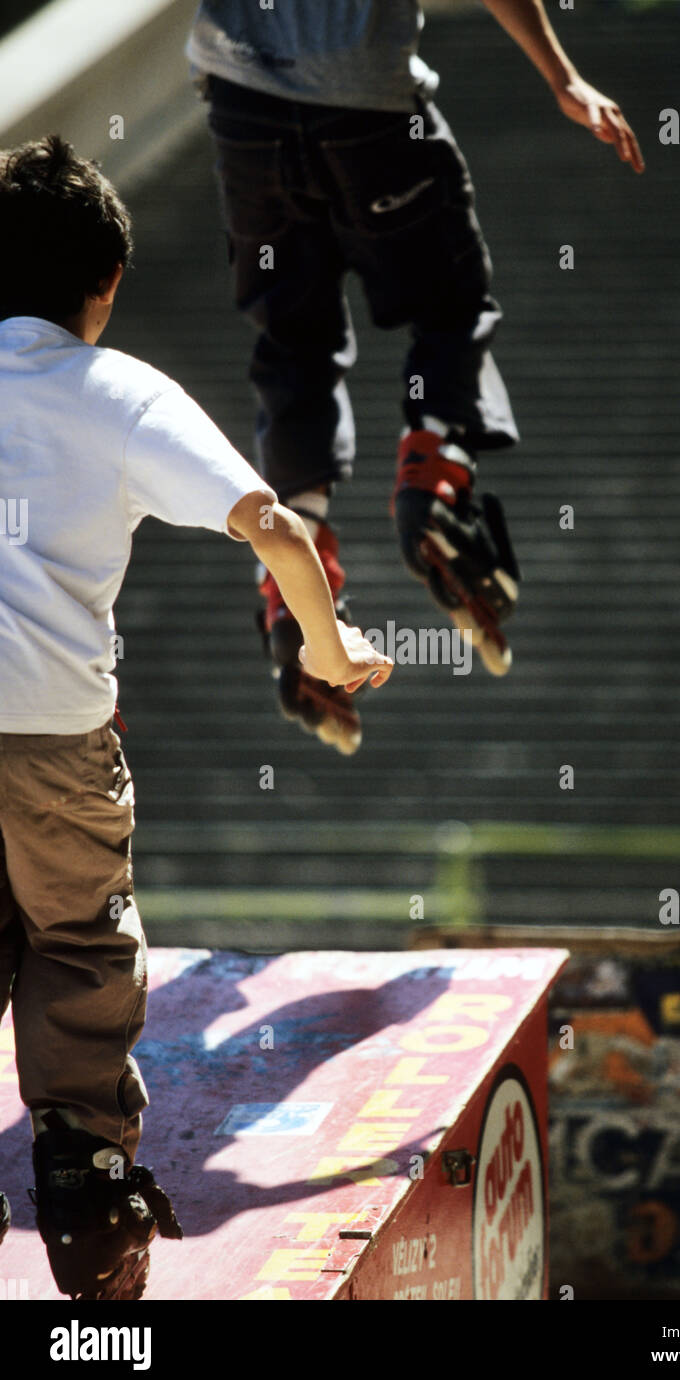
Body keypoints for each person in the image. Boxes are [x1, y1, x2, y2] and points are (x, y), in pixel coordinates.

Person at [0, 134, 393, 1300]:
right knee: (75, 937)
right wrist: (330, 646)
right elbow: (271, 522)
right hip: (57, 740)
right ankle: (83, 1179)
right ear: (106, 286)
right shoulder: (116, 390)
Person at [186, 0, 643, 752]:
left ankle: (297, 580)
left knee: (293, 346)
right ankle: (433, 481)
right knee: (451, 304)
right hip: (370, 112)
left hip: (244, 115)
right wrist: (563, 77)